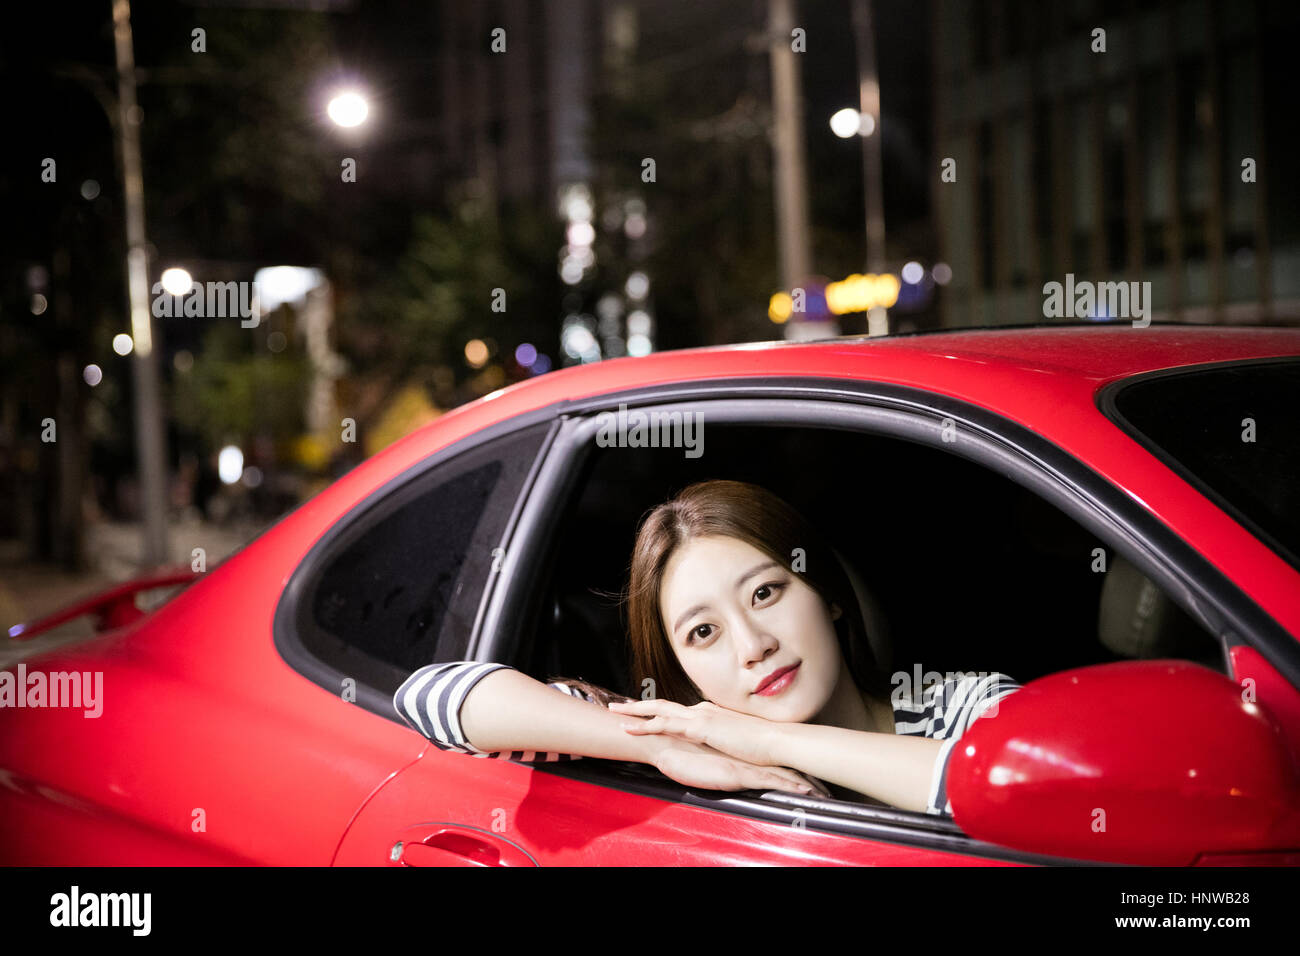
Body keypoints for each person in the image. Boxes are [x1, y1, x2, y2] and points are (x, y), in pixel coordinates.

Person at [394, 479, 1021, 815]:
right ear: (682, 674)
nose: (753, 645)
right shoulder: (681, 750)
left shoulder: (960, 707)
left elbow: (1006, 783)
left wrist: (771, 743)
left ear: (827, 593)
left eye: (767, 592)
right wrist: (668, 744)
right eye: (703, 633)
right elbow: (433, 698)